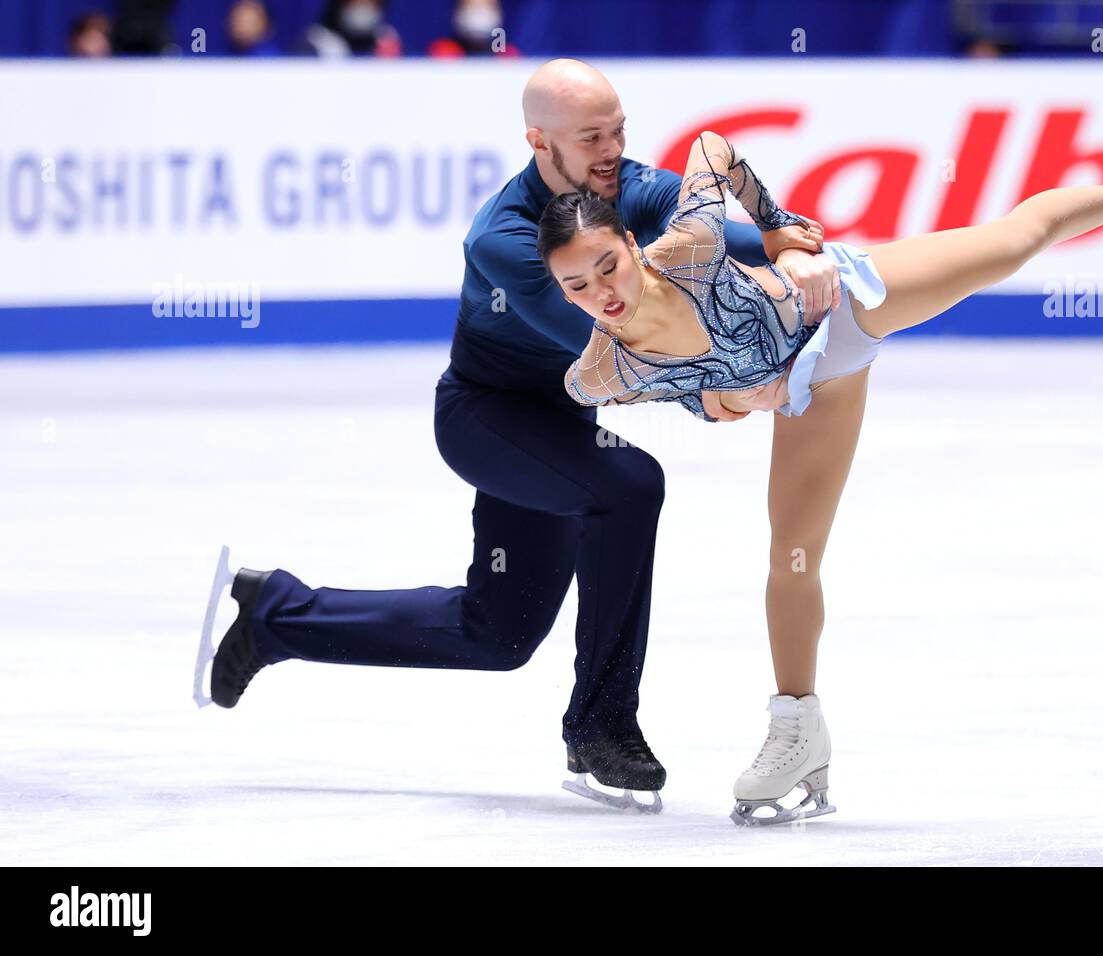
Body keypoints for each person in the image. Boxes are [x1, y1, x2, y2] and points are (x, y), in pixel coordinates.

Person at [539, 130, 1103, 824]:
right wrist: (734, 400)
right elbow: (697, 400)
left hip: (848, 308)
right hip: (809, 390)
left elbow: (711, 148)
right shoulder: (600, 373)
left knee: (1016, 241)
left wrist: (774, 227)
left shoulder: (692, 246)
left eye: (609, 264)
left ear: (631, 244)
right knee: (791, 559)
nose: (602, 291)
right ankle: (798, 729)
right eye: (577, 286)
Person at [194, 60, 838, 813]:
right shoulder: (503, 240)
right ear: (538, 141)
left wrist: (789, 246)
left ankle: (279, 615)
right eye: (590, 136)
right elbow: (621, 352)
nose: (611, 148)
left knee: (496, 635)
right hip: (487, 418)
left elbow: (723, 236)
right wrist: (721, 393)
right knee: (631, 487)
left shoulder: (626, 187)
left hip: (561, 427)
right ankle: (601, 726)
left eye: (619, 130)